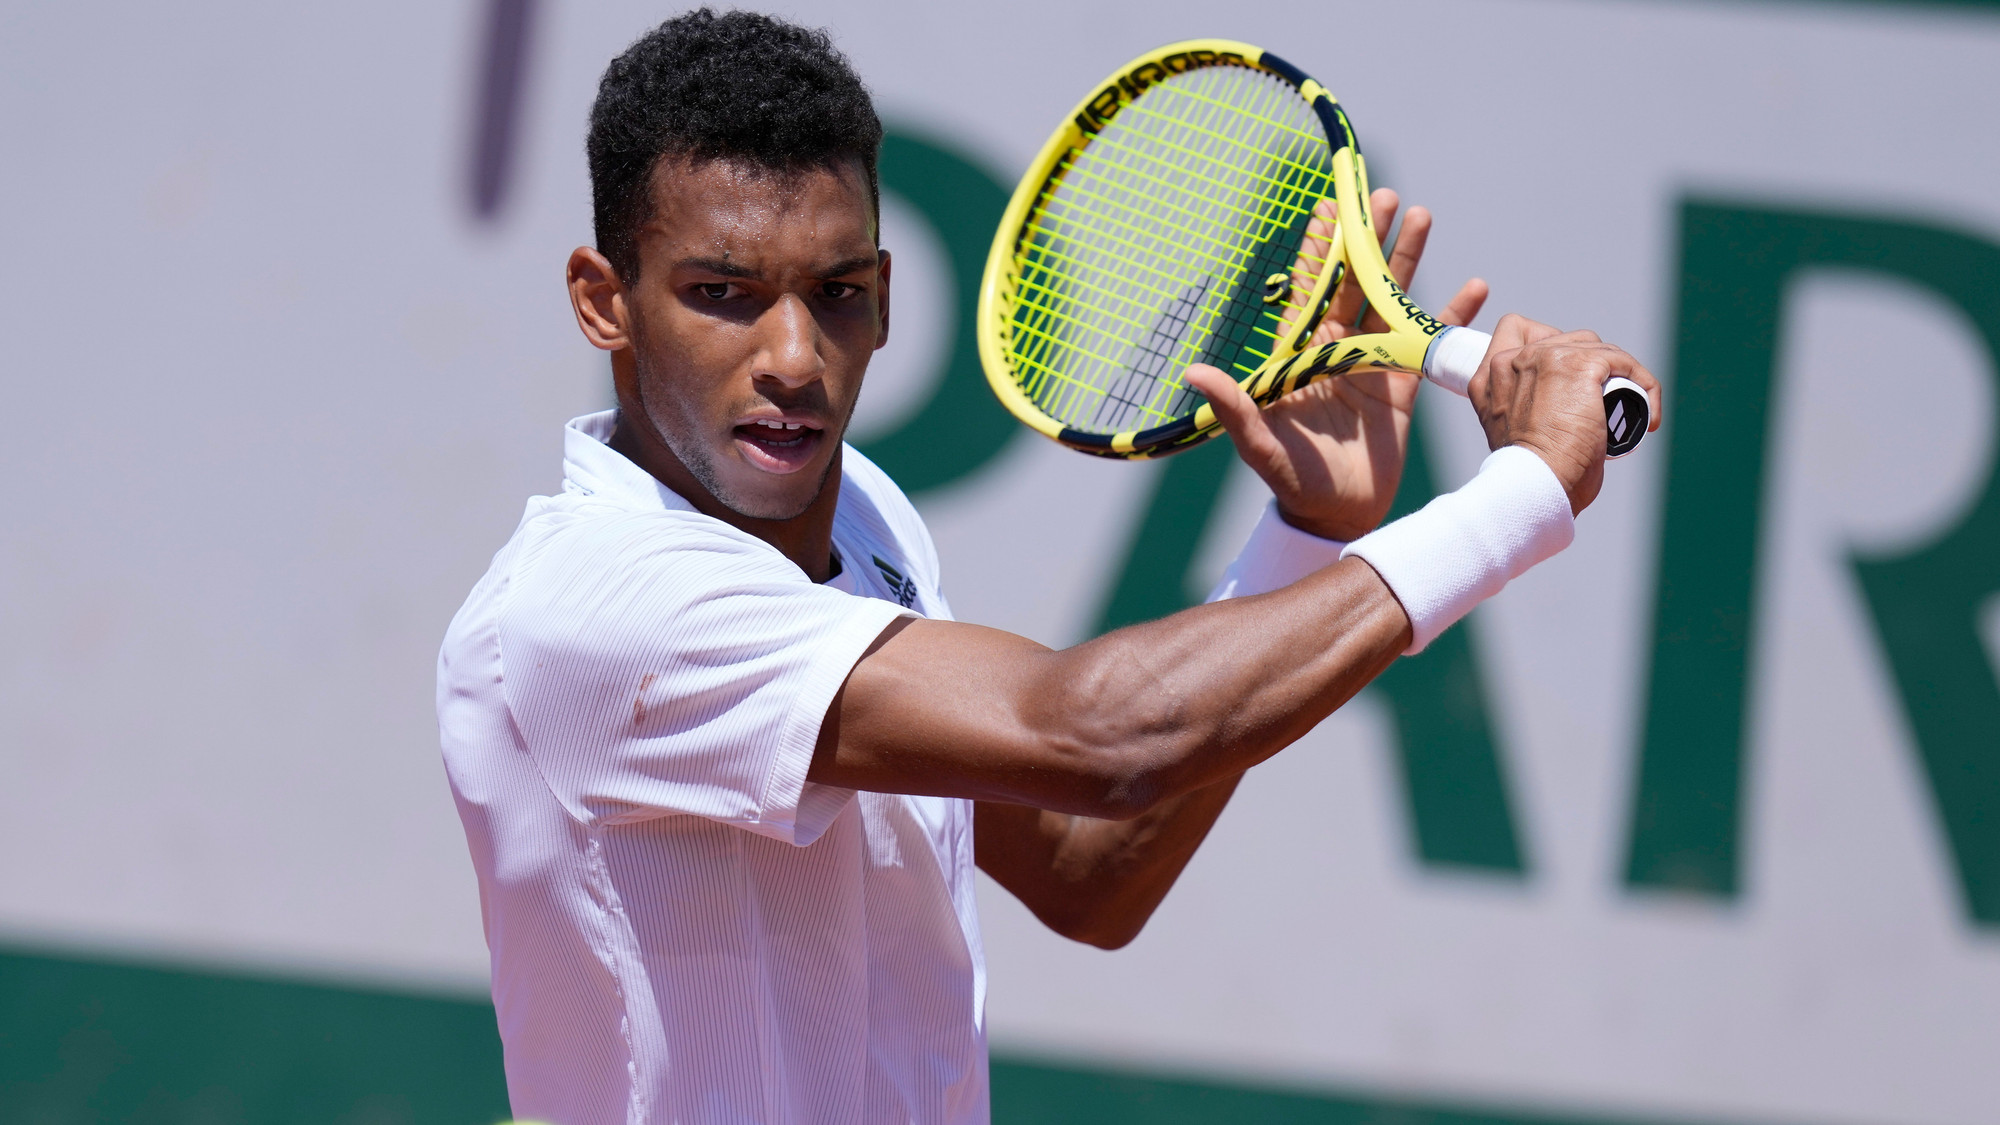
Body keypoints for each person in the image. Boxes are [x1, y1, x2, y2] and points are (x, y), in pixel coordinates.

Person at [436, 9, 1660, 1124]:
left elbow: (1088, 879)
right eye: (722, 295)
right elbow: (1099, 741)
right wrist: (1517, 497)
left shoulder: (863, 514)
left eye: (838, 292)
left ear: (886, 292)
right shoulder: (593, 602)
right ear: (605, 302)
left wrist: (1309, 535)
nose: (796, 357)